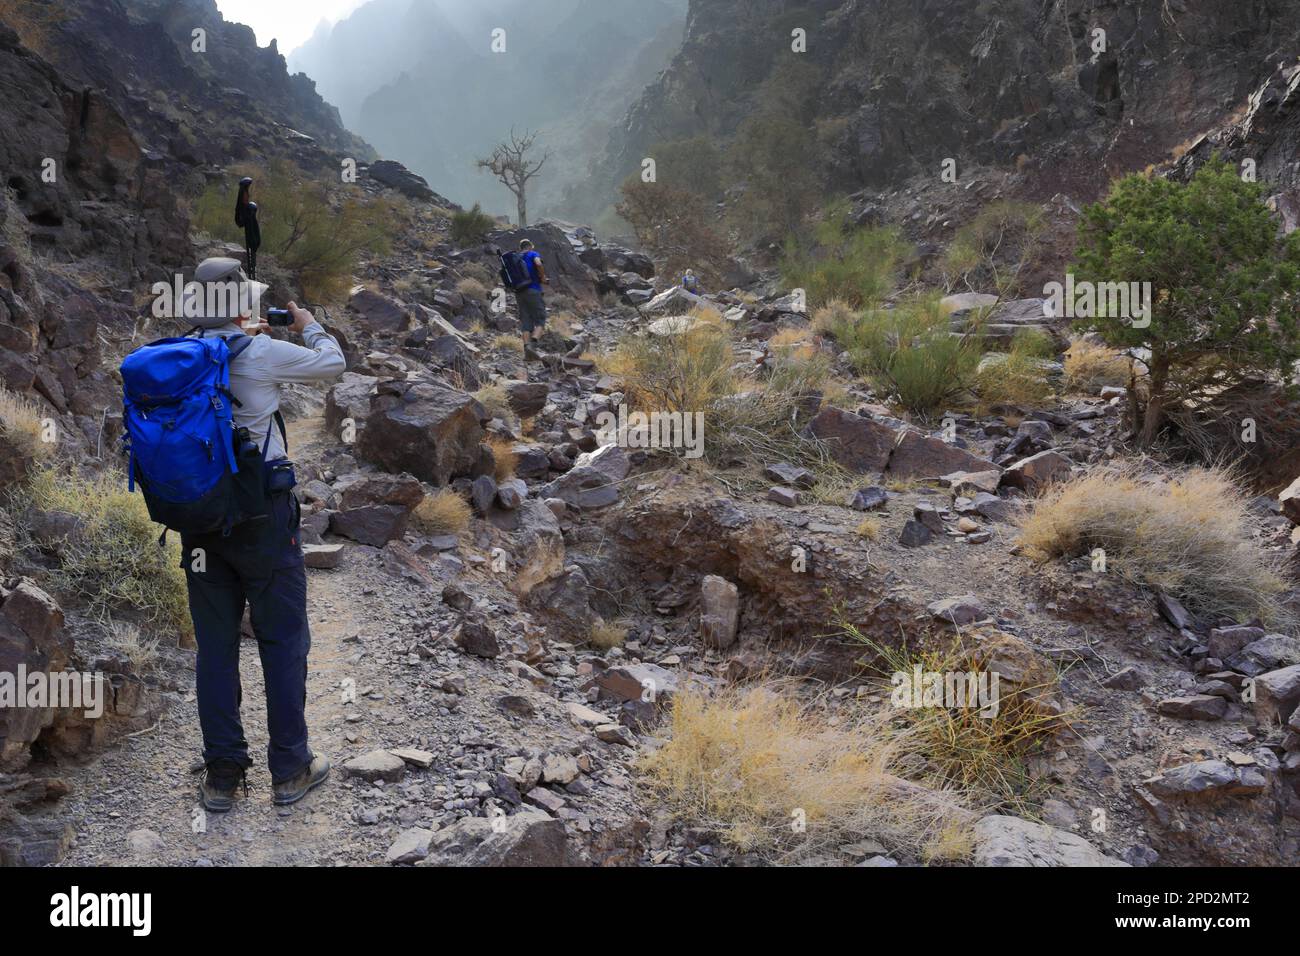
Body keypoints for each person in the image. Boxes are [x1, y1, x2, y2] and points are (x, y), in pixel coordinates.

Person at [182, 257, 346, 812]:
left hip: (200, 523)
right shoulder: (262, 352)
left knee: (216, 647)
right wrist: (306, 324)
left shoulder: (177, 356)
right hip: (263, 518)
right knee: (282, 639)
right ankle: (290, 768)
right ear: (243, 307)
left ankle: (224, 776)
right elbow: (334, 364)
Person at [516, 239, 549, 357]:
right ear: (530, 246)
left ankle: (527, 350)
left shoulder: (516, 257)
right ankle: (534, 343)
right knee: (540, 319)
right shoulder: (532, 254)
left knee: (526, 322)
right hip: (533, 290)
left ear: (521, 247)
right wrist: (543, 277)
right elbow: (538, 263)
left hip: (519, 292)